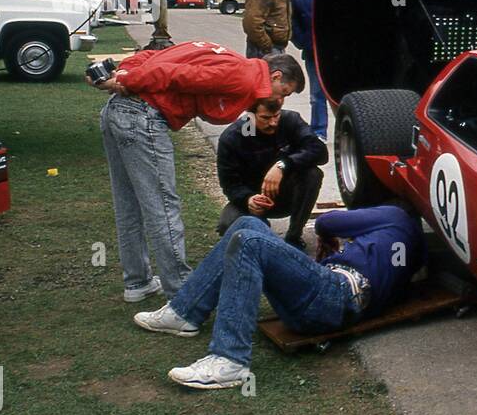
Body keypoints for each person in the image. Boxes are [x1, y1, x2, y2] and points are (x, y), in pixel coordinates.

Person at [92, 42, 305, 304]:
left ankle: (138, 282)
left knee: (128, 204)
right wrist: (127, 78)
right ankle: (182, 293)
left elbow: (152, 56)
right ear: (276, 76)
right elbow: (178, 75)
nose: (281, 101)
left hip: (117, 111)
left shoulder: (229, 58)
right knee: (163, 205)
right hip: (142, 118)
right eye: (285, 91)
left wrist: (123, 73)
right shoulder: (244, 76)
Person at [135, 204, 426, 390]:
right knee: (247, 224)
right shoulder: (409, 243)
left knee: (249, 242)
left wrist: (331, 239)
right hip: (327, 299)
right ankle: (185, 312)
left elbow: (327, 222)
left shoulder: (396, 216)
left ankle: (230, 358)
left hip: (336, 295)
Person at [216, 97, 328, 247]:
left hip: (286, 194)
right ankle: (261, 233)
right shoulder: (232, 138)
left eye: (276, 116)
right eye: (265, 118)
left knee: (313, 174)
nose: (273, 123)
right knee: (227, 225)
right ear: (250, 115)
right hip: (253, 199)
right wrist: (248, 199)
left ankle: (294, 236)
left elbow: (319, 151)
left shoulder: (291, 120)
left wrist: (283, 165)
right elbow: (229, 184)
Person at [290, 0, 328, 139]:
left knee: (342, 93)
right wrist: (301, 41)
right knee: (316, 94)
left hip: (334, 53)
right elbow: (293, 21)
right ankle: (319, 132)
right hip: (312, 52)